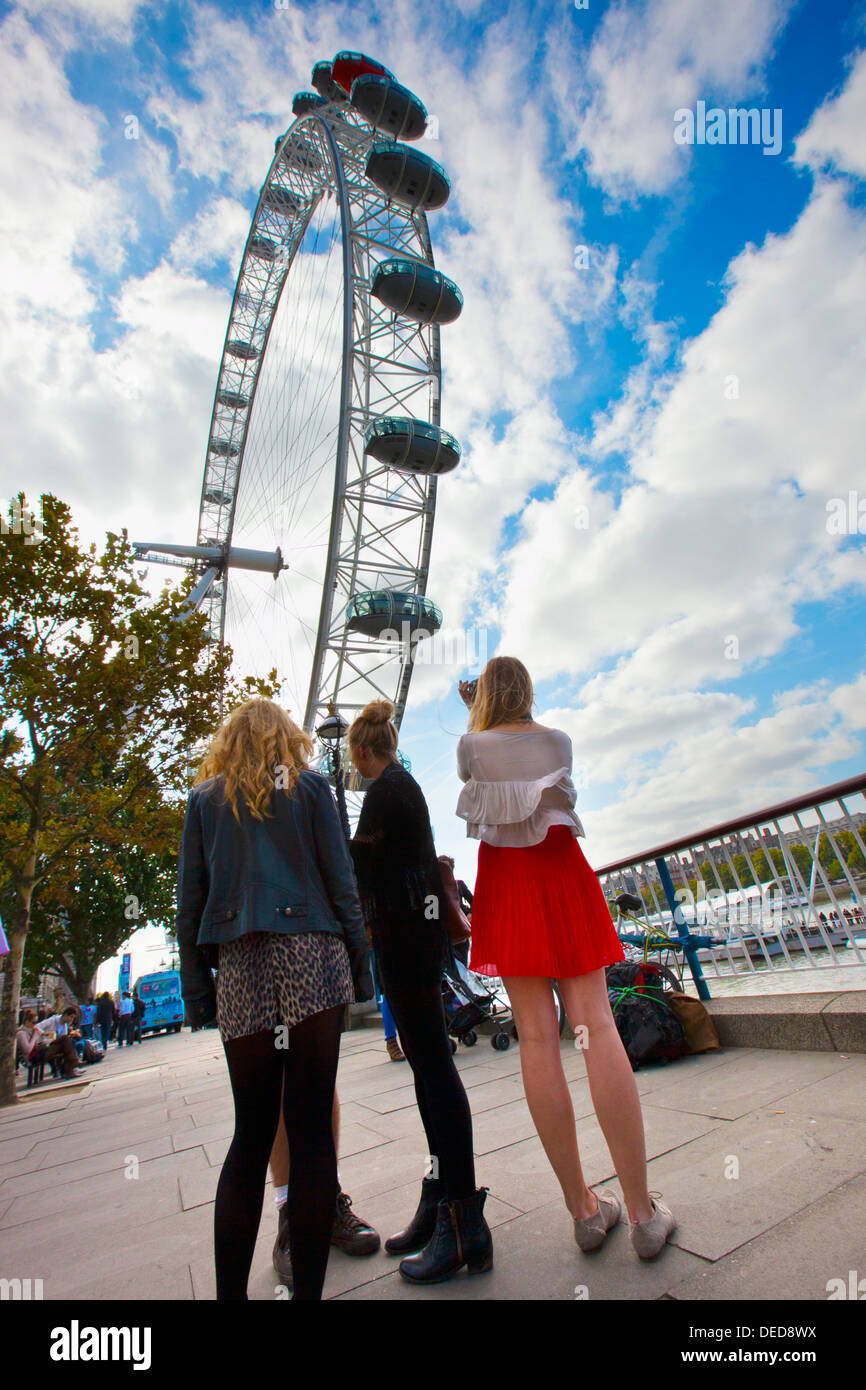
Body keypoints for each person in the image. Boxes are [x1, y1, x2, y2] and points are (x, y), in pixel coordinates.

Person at [456, 655, 677, 1261]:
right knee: (595, 1025)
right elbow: (533, 776)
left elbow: (487, 771)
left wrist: (473, 711)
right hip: (561, 877)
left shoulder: (471, 746)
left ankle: (583, 1210)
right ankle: (641, 1212)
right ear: (528, 689)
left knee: (535, 1039)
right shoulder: (559, 741)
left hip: (507, 888)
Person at [176, 698, 373, 1302]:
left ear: (228, 744)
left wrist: (196, 994)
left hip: (240, 960)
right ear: (289, 739)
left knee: (251, 1131)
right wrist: (363, 975)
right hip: (311, 951)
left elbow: (189, 903)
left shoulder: (206, 801)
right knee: (311, 1129)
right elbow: (342, 882)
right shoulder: (312, 790)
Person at [348, 699, 491, 1284]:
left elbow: (361, 865)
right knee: (427, 1069)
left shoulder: (386, 791)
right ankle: (441, 1202)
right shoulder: (402, 787)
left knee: (434, 1069)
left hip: (406, 941)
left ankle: (463, 1223)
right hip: (412, 937)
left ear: (361, 751)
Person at [30, 1007, 85, 1078]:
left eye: (73, 1018)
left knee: (69, 1043)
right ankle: (74, 1061)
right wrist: (45, 1034)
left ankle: (70, 1070)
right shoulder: (53, 1020)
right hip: (47, 1044)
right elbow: (37, 1026)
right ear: (65, 1015)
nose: (71, 1019)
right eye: (71, 1017)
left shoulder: (65, 1026)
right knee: (65, 1038)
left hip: (57, 1046)